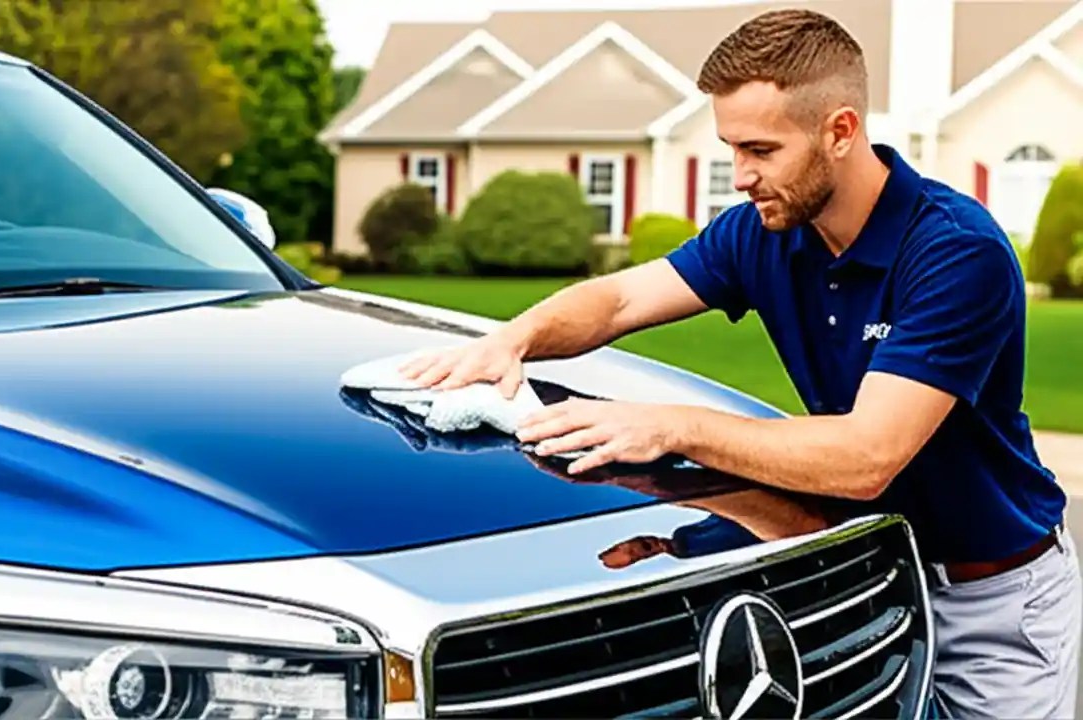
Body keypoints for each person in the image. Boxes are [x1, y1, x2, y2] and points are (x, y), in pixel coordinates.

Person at [398, 8, 1080, 719]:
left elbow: (867, 455)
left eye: (760, 149)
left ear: (840, 131)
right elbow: (622, 298)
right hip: (862, 576)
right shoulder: (763, 233)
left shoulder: (953, 251)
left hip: (992, 605)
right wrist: (514, 338)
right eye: (731, 149)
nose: (741, 176)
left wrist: (673, 428)